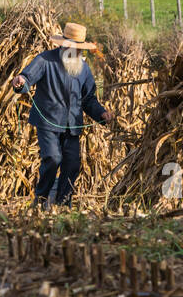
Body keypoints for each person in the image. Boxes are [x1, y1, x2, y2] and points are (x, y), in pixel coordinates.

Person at [11, 22, 111, 209]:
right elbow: (26, 79)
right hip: (48, 121)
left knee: (72, 164)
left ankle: (63, 204)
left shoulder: (84, 69)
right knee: (53, 158)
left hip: (72, 125)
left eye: (79, 49)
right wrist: (20, 81)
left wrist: (102, 113)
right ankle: (41, 200)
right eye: (73, 48)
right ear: (63, 45)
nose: (76, 52)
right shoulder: (44, 61)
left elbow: (89, 99)